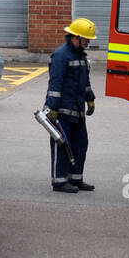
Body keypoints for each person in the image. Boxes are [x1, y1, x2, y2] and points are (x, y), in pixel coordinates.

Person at [44, 17, 97, 193]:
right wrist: (53, 108)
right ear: (76, 37)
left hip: (77, 111)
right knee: (62, 146)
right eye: (86, 39)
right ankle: (59, 182)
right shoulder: (60, 55)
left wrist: (89, 98)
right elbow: (55, 83)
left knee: (81, 144)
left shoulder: (81, 55)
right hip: (61, 112)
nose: (88, 42)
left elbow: (85, 81)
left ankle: (75, 179)